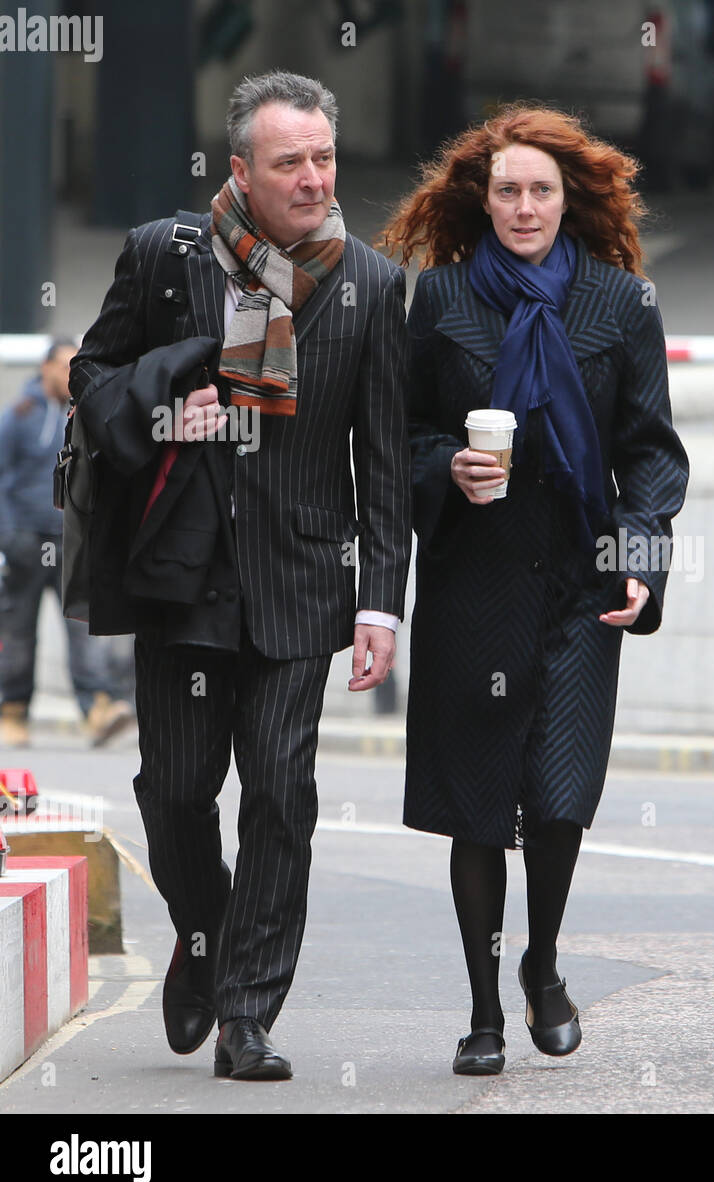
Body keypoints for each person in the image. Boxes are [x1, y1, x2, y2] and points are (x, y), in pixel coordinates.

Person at [70, 71, 410, 1080]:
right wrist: (178, 387)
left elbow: (383, 460)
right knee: (174, 792)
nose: (312, 179)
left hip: (302, 578)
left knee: (281, 792)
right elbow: (93, 378)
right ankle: (204, 936)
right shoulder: (165, 257)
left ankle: (249, 1012)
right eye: (288, 162)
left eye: (323, 158)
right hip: (183, 569)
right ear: (240, 171)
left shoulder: (370, 283)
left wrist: (382, 599)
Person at [381, 105, 688, 1077]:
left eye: (540, 190)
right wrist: (446, 473)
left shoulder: (621, 304)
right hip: (474, 580)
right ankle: (481, 1012)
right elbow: (402, 438)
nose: (522, 206)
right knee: (478, 803)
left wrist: (642, 557)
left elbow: (650, 454)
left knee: (559, 798)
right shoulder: (437, 300)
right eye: (506, 189)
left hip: (582, 583)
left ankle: (542, 963)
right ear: (484, 197)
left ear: (569, 200)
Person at [0, 338, 133, 748]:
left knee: (81, 625)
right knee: (19, 631)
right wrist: (6, 536)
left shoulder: (83, 415)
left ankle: (97, 708)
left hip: (66, 540)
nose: (69, 374)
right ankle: (13, 712)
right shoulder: (18, 417)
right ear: (44, 368)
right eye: (63, 366)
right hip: (22, 539)